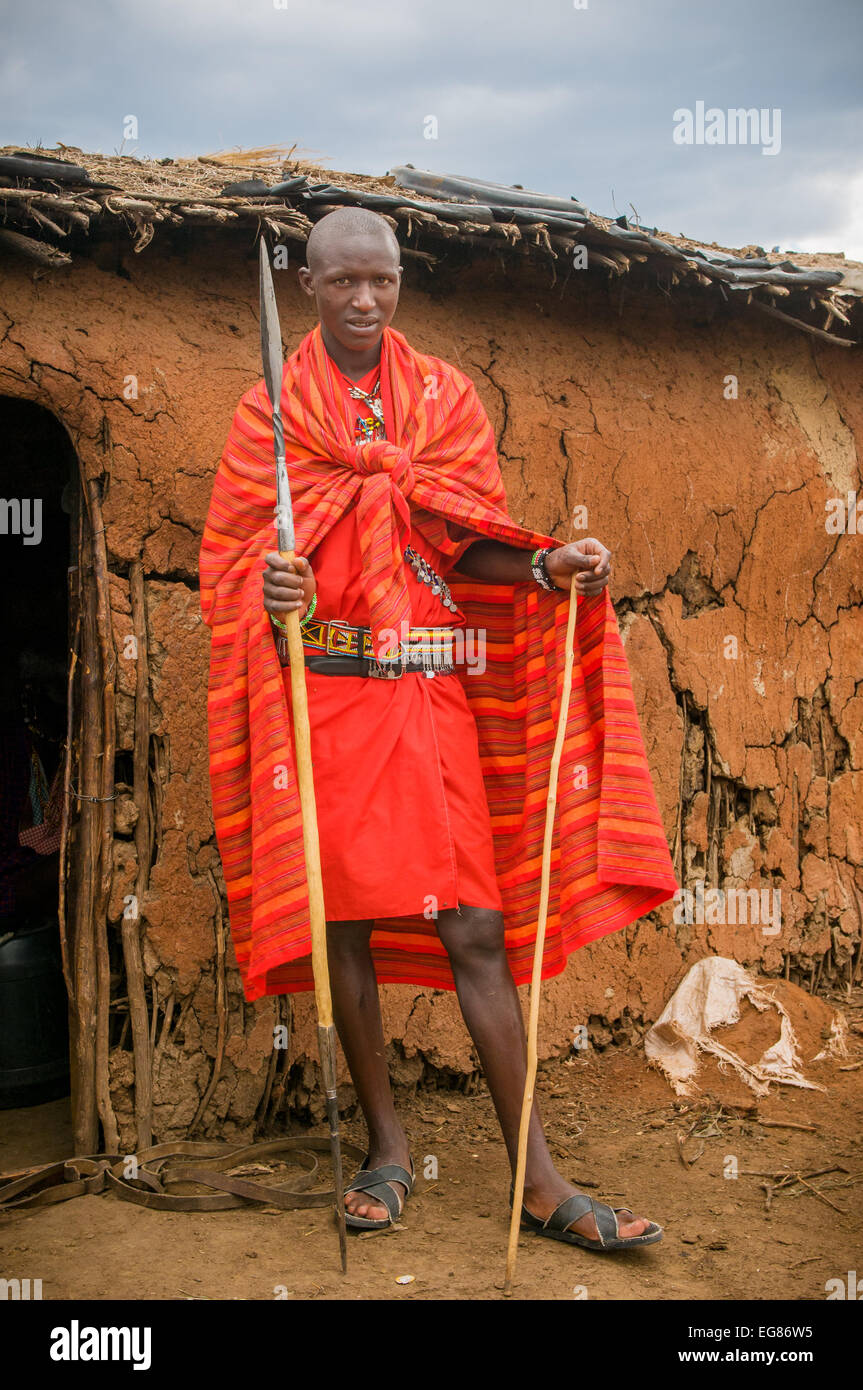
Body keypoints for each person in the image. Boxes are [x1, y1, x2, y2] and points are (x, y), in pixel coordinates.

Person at [199, 207, 678, 1252]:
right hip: (327, 698)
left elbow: (467, 548)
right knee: (346, 929)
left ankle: (538, 1181)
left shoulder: (440, 399)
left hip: (429, 693)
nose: (364, 300)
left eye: (382, 281)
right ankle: (385, 1148)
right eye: (342, 283)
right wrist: (273, 584)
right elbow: (234, 567)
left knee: (471, 924)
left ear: (401, 282)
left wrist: (546, 565)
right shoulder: (271, 415)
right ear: (310, 287)